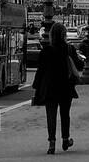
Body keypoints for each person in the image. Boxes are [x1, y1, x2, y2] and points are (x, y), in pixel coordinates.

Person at [31, 22, 77, 154]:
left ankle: (51, 143)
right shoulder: (69, 49)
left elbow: (40, 71)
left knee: (50, 115)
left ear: (51, 34)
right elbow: (78, 65)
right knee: (65, 114)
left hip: (50, 88)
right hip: (65, 87)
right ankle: (65, 139)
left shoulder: (46, 51)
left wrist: (36, 87)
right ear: (64, 34)